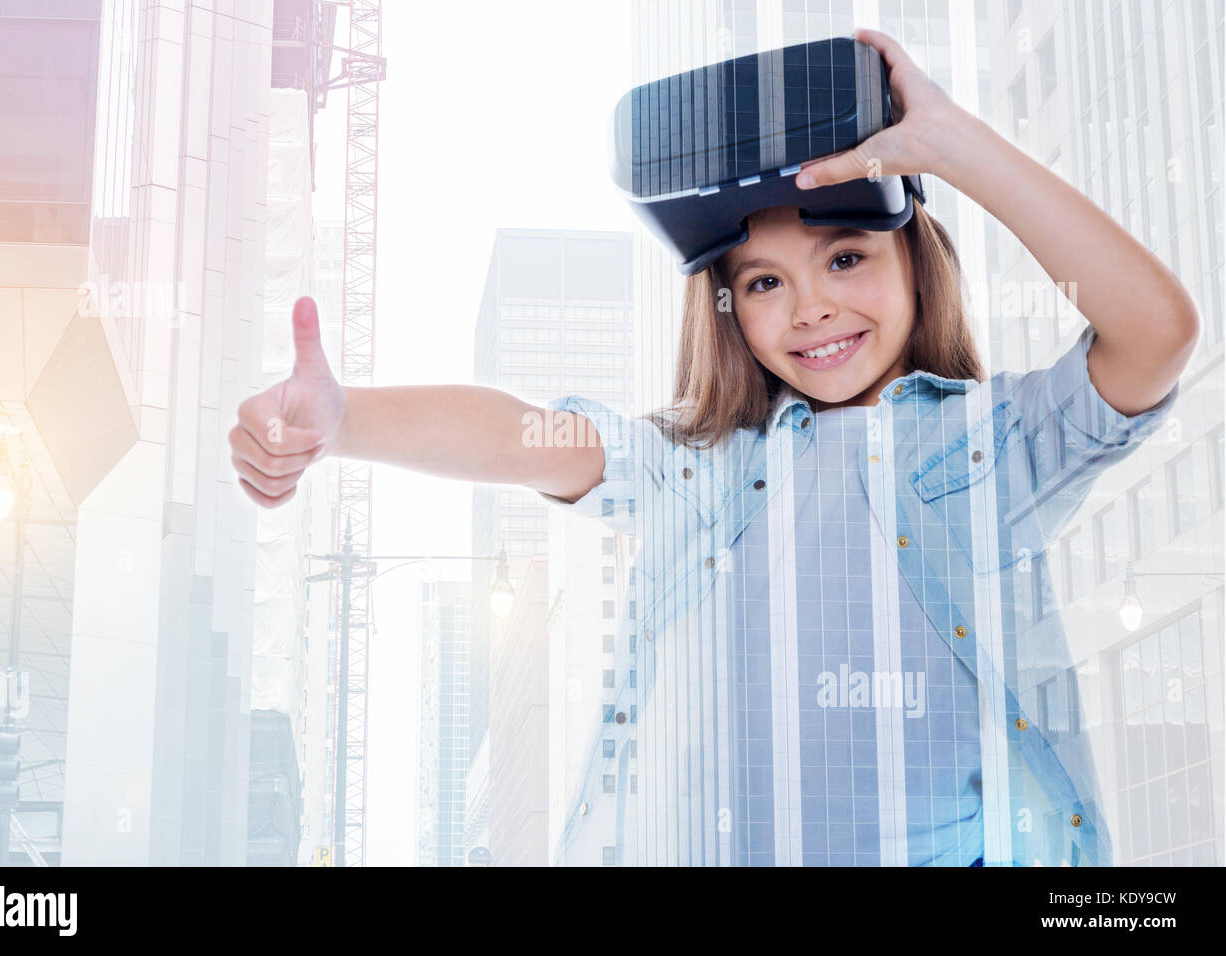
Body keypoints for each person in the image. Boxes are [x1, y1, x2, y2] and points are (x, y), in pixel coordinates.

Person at [229, 28, 1199, 866]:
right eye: (764, 281)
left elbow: (1154, 331)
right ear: (729, 309)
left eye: (845, 257)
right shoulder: (699, 465)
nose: (810, 303)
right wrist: (345, 419)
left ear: (917, 258)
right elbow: (525, 435)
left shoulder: (992, 446)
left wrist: (949, 145)